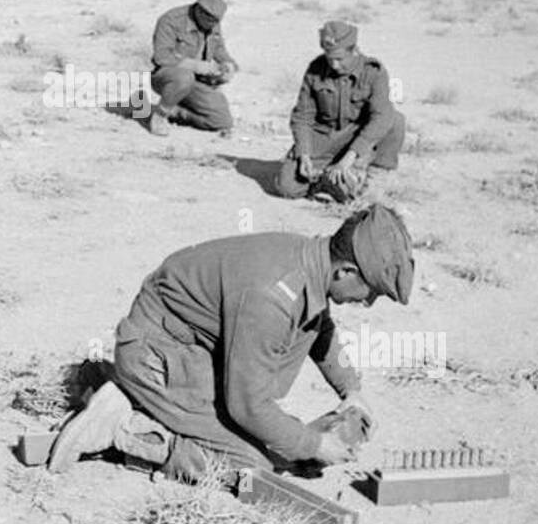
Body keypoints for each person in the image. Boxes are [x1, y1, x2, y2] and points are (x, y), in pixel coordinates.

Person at [48, 204, 414, 482]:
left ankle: (126, 393)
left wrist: (351, 389)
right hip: (156, 359)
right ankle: (124, 429)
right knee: (251, 463)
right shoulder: (273, 297)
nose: (367, 303)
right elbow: (248, 407)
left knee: (276, 437)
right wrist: (314, 445)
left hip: (184, 351)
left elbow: (320, 327)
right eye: (370, 293)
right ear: (346, 271)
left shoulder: (310, 260)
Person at [274, 20, 405, 203]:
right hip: (324, 135)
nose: (334, 65)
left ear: (354, 50)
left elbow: (381, 117)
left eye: (339, 59)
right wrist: (304, 155)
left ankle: (374, 177)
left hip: (356, 133)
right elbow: (302, 116)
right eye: (330, 58)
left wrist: (349, 157)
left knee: (394, 119)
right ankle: (326, 179)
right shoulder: (315, 70)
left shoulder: (374, 72)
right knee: (286, 187)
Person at [148, 0, 237, 136]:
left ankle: (176, 112)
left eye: (217, 21)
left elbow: (218, 48)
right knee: (184, 77)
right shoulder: (171, 20)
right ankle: (160, 115)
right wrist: (197, 66)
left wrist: (228, 65)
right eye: (211, 21)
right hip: (167, 77)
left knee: (222, 120)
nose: (214, 25)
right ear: (200, 11)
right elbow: (162, 57)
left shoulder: (212, 22)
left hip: (197, 80)